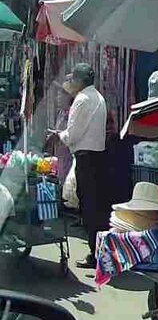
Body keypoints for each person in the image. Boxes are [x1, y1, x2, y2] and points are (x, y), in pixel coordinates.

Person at [56, 63, 108, 269]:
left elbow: (73, 135)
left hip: (86, 159)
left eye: (73, 79)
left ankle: (94, 255)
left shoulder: (82, 100)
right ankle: (99, 252)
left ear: (79, 80)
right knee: (96, 207)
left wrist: (58, 134)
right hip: (98, 158)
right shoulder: (99, 97)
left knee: (89, 209)